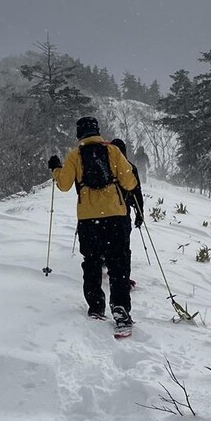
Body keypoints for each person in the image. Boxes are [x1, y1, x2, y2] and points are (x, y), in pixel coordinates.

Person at [48, 116, 139, 333]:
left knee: (91, 261)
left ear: (79, 134)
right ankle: (120, 308)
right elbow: (129, 182)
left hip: (89, 219)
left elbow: (63, 185)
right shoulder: (113, 151)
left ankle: (96, 306)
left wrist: (55, 169)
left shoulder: (75, 155)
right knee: (119, 262)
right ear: (98, 131)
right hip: (116, 216)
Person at [109, 138, 144, 290]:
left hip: (103, 211)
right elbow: (137, 192)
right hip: (123, 213)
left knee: (107, 242)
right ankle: (123, 278)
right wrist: (139, 213)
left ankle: (108, 265)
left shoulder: (104, 166)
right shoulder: (130, 167)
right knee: (123, 246)